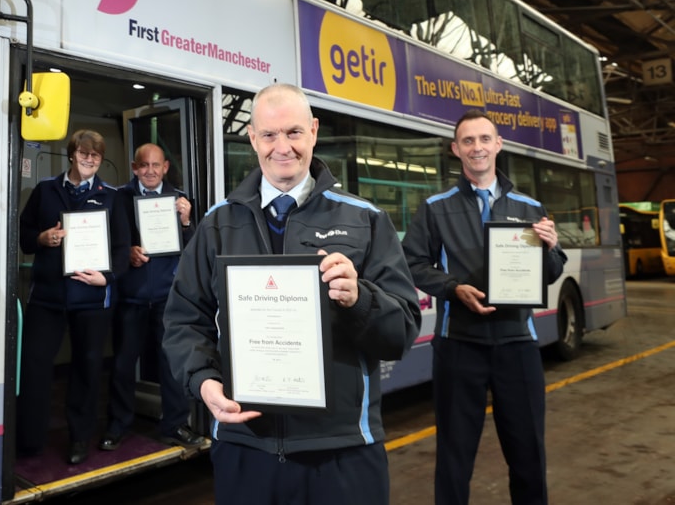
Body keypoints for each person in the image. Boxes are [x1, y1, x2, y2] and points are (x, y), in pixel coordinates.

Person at [162, 84, 421, 504]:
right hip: (246, 447)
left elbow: (402, 333)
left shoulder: (365, 220)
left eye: (294, 132)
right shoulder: (216, 224)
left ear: (314, 132)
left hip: (343, 450)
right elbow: (183, 319)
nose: (283, 147)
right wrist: (204, 382)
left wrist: (359, 298)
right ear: (252, 138)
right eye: (269, 135)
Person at [400, 109, 567, 505]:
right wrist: (454, 288)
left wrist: (552, 247)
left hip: (517, 345)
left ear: (499, 145)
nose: (478, 148)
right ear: (456, 150)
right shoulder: (435, 207)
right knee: (455, 455)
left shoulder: (529, 206)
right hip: (459, 344)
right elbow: (412, 264)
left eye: (485, 139)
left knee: (528, 453)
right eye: (469, 141)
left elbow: (551, 273)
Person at [17, 129, 130, 465]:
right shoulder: (45, 190)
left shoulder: (112, 197)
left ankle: (80, 439)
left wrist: (106, 277)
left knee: (87, 369)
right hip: (47, 299)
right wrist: (41, 237)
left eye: (95, 155)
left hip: (92, 300)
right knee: (34, 368)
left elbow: (123, 249)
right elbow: (23, 235)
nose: (89, 159)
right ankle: (29, 440)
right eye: (84, 153)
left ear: (100, 159)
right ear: (72, 155)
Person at [99, 143, 203, 452]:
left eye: (156, 165)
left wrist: (186, 222)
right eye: (144, 165)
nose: (150, 170)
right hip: (130, 296)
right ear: (134, 167)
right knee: (122, 365)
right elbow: (108, 240)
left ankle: (174, 425)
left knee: (171, 365)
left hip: (166, 298)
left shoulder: (181, 200)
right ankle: (118, 425)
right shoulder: (120, 197)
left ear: (166, 167)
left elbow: (194, 250)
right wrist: (126, 251)